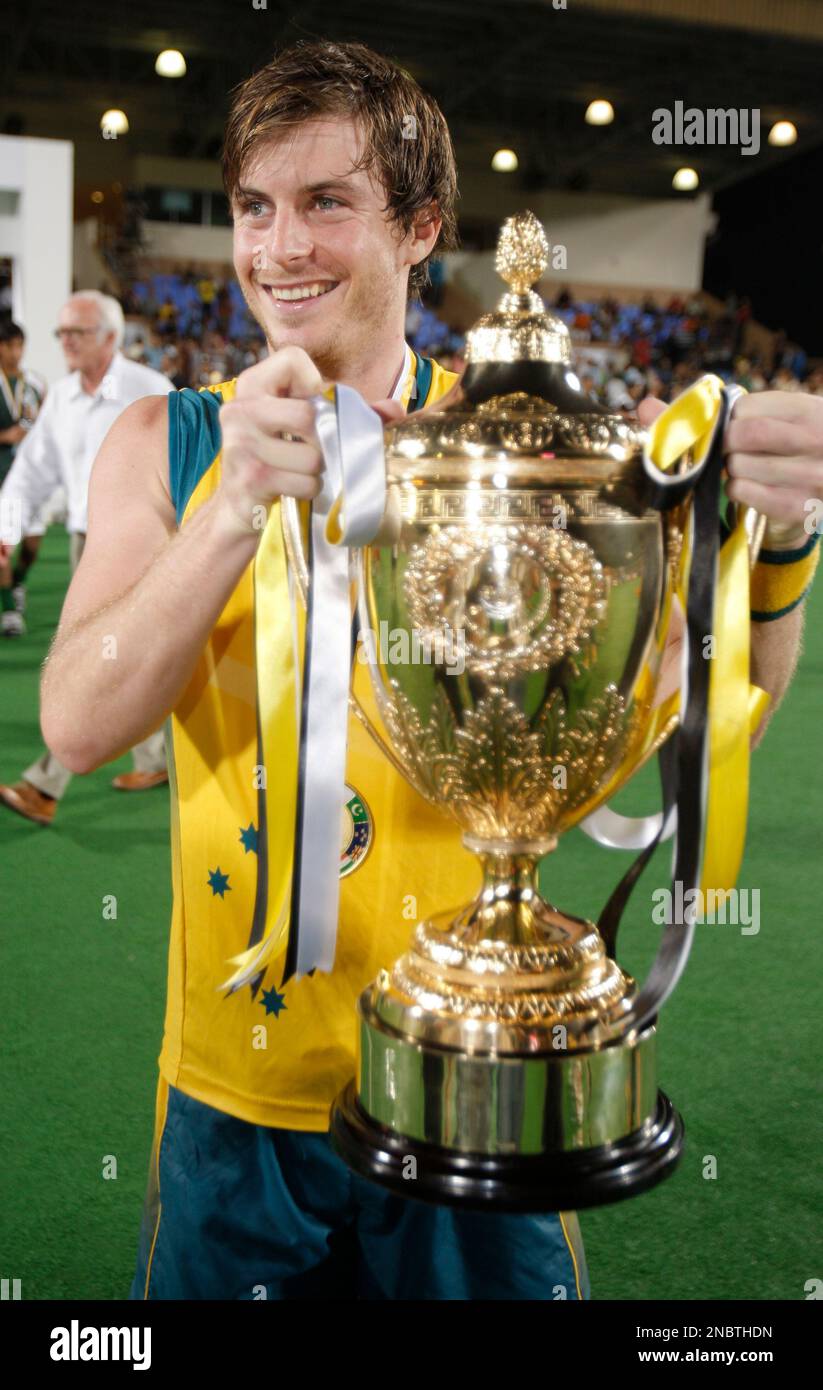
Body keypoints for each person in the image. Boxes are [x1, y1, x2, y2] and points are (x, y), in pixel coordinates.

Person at [33, 41, 821, 1301]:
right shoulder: (168, 439)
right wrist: (233, 507)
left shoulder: (524, 456)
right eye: (254, 207)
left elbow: (698, 729)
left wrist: (773, 549)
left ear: (420, 229)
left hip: (481, 1085)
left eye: (326, 203)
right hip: (238, 1095)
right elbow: (74, 722)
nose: (277, 247)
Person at [0, 290, 174, 825]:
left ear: (111, 338)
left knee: (93, 658)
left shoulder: (151, 390)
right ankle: (158, 757)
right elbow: (32, 470)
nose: (65, 343)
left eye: (77, 332)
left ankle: (45, 785)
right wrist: (5, 533)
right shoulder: (62, 399)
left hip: (144, 545)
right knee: (131, 654)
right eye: (61, 333)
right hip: (84, 544)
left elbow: (187, 462)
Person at [0, 319, 46, 635]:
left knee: (32, 546)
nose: (15, 352)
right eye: (8, 346)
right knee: (5, 544)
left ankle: (16, 584)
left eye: (19, 345)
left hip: (29, 476)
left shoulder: (35, 383)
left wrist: (29, 431)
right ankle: (8, 613)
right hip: (1, 473)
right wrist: (5, 437)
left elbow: (40, 422)